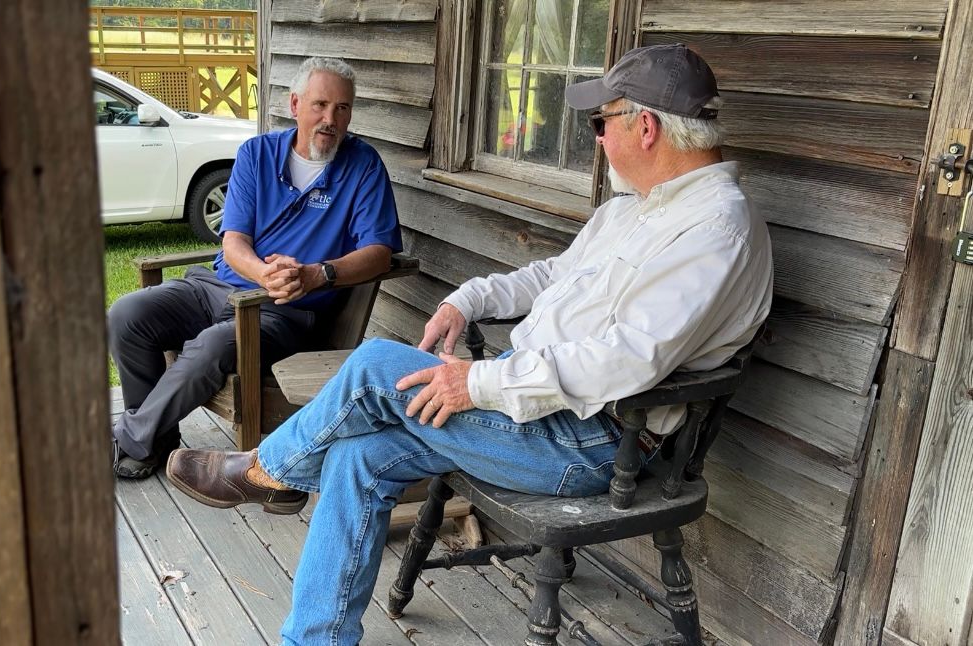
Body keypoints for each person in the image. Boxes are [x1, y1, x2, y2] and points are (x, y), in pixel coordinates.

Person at [166, 44, 774, 644]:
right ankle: (316, 638)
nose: (597, 138)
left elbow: (627, 361)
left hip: (593, 442)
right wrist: (468, 299)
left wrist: (475, 382)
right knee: (359, 457)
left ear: (645, 127)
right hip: (536, 407)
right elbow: (553, 277)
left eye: (600, 122)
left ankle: (265, 469)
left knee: (377, 362)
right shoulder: (634, 211)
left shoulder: (715, 231)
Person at [107, 57, 402, 478]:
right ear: (295, 103)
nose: (330, 119)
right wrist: (262, 272)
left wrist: (318, 273)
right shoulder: (257, 154)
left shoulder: (363, 165)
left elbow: (379, 252)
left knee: (211, 347)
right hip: (217, 286)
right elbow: (233, 242)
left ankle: (127, 441)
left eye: (342, 109)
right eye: (320, 105)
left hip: (284, 310)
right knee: (126, 315)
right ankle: (157, 438)